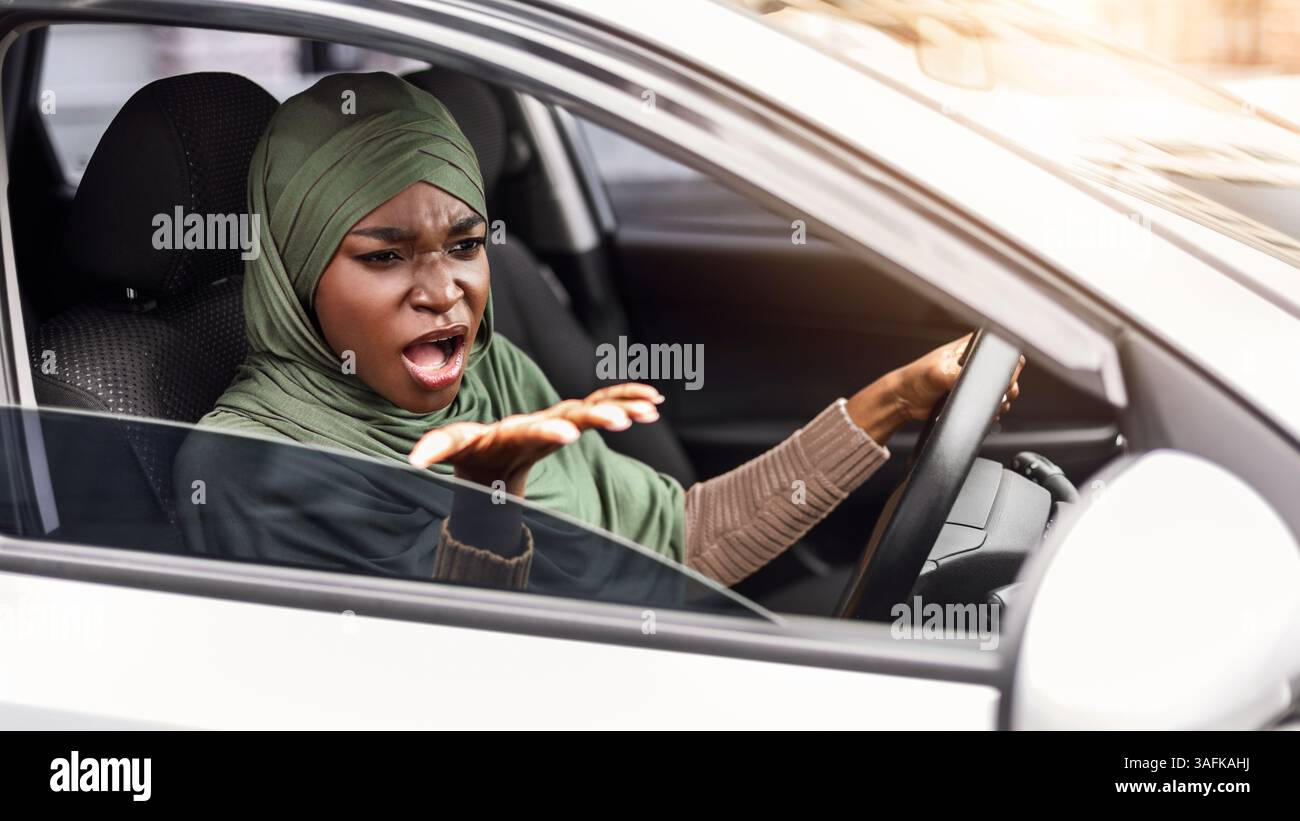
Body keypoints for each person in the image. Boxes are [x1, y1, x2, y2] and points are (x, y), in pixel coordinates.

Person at [174, 72, 1021, 595]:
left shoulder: (495, 376)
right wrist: (487, 509)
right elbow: (441, 694)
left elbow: (680, 539)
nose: (444, 292)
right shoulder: (248, 468)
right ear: (293, 270)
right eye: (386, 256)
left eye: (465, 245)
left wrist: (893, 400)